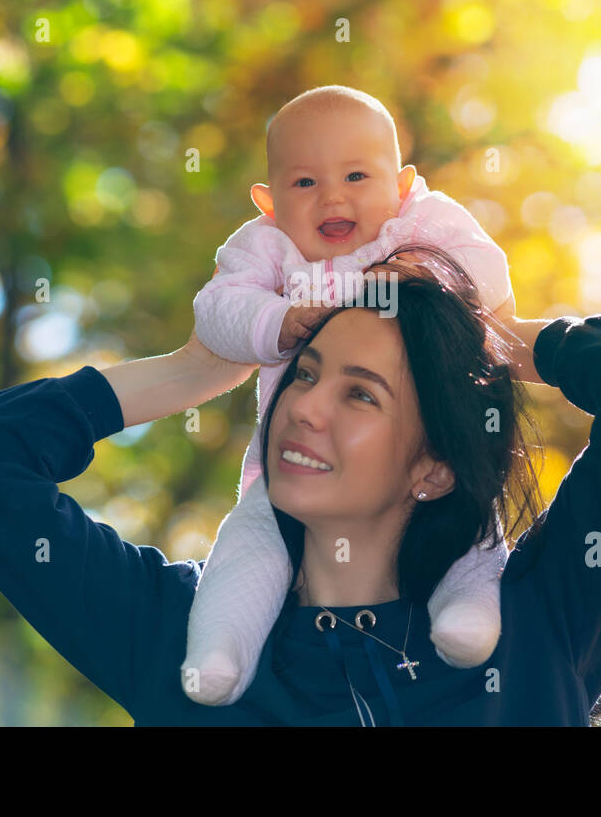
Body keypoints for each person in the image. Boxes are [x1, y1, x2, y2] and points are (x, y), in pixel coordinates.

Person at [0, 246, 601, 725]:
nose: (304, 408)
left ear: (433, 464)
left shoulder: (543, 622)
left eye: (360, 393)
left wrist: (500, 343)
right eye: (303, 374)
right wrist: (191, 369)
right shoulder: (175, 635)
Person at [189, 84, 519, 705]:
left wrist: (419, 276)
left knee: (472, 525)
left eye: (357, 175)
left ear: (400, 184)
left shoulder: (419, 223)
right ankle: (218, 657)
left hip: (424, 449)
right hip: (288, 468)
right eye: (304, 183)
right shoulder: (269, 249)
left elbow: (489, 270)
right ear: (268, 202)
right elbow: (216, 309)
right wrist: (276, 322)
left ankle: (467, 616)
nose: (333, 196)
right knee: (248, 542)